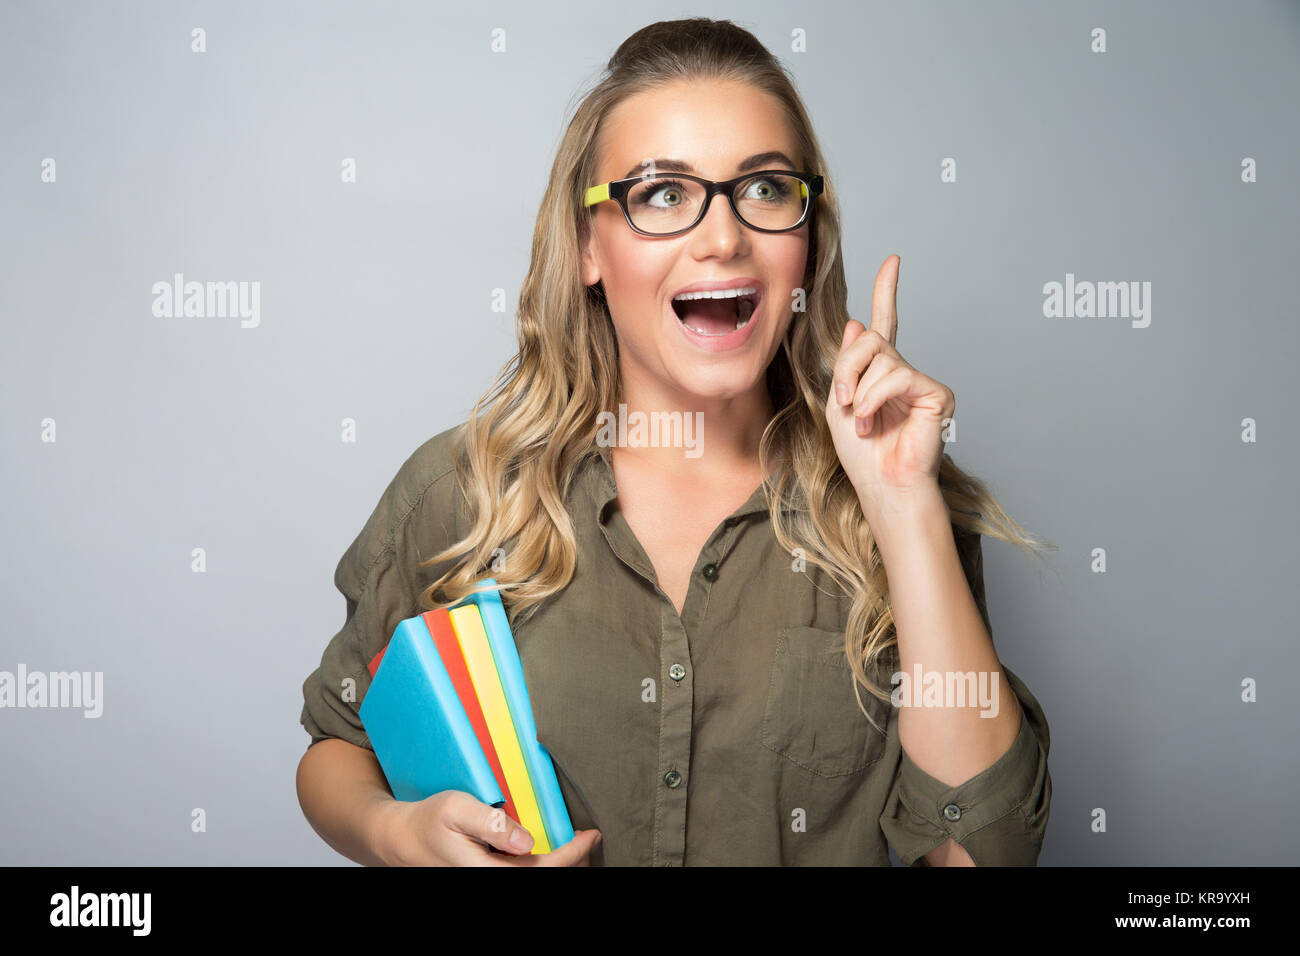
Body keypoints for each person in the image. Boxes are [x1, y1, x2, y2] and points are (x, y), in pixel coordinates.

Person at [297, 17, 1053, 867]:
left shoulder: (899, 497)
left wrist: (905, 510)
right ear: (587, 245)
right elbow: (337, 745)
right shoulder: (462, 493)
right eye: (662, 194)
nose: (723, 238)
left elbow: (981, 851)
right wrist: (397, 833)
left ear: (808, 240)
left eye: (765, 188)